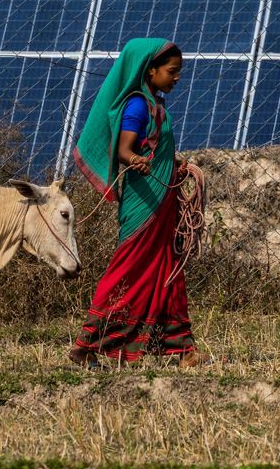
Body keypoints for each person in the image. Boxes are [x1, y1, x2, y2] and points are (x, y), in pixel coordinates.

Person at [68, 38, 210, 369]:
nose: (177, 78)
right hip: (143, 203)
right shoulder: (137, 107)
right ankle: (86, 345)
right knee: (129, 268)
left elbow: (152, 146)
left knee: (168, 269)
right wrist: (136, 159)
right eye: (172, 72)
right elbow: (124, 149)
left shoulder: (155, 106)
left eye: (179, 72)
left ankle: (181, 349)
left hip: (161, 200)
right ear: (150, 71)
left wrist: (172, 164)